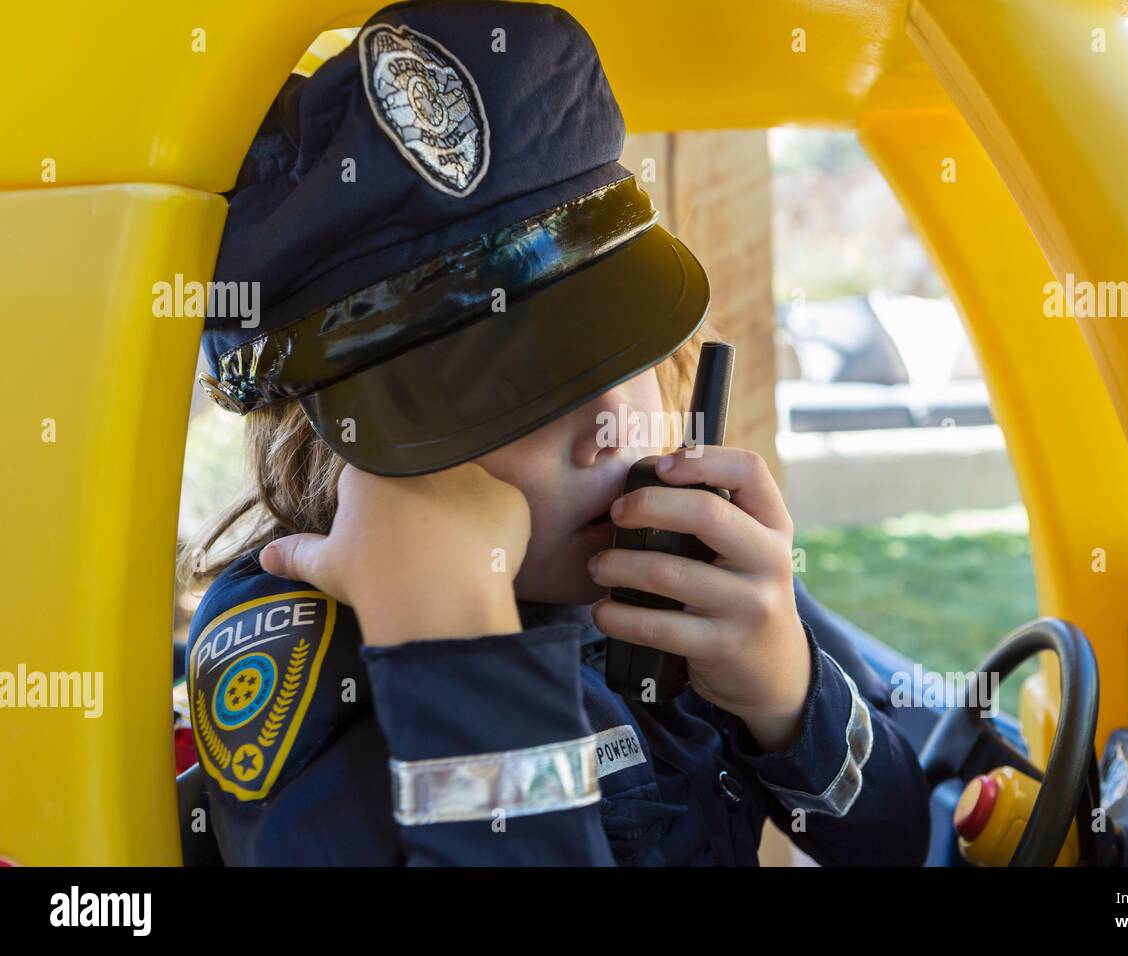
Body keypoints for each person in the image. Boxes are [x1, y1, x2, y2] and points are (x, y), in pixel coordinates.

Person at [183, 0, 930, 866]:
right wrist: (453, 645)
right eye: (512, 388)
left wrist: (790, 700)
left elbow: (899, 841)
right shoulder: (305, 671)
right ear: (343, 446)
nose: (613, 420)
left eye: (621, 343)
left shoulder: (685, 561)